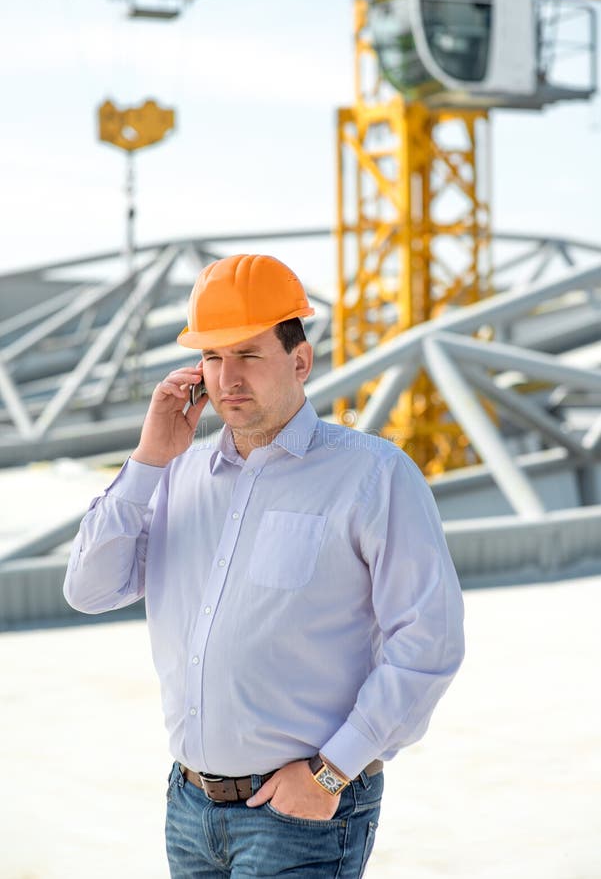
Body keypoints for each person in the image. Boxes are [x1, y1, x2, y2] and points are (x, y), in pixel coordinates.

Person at [65, 253, 465, 879]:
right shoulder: (178, 476)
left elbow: (427, 644)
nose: (228, 378)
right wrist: (146, 461)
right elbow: (89, 590)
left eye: (249, 354)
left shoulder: (373, 475)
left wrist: (332, 772)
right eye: (214, 358)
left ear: (299, 360)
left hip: (303, 814)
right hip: (190, 807)